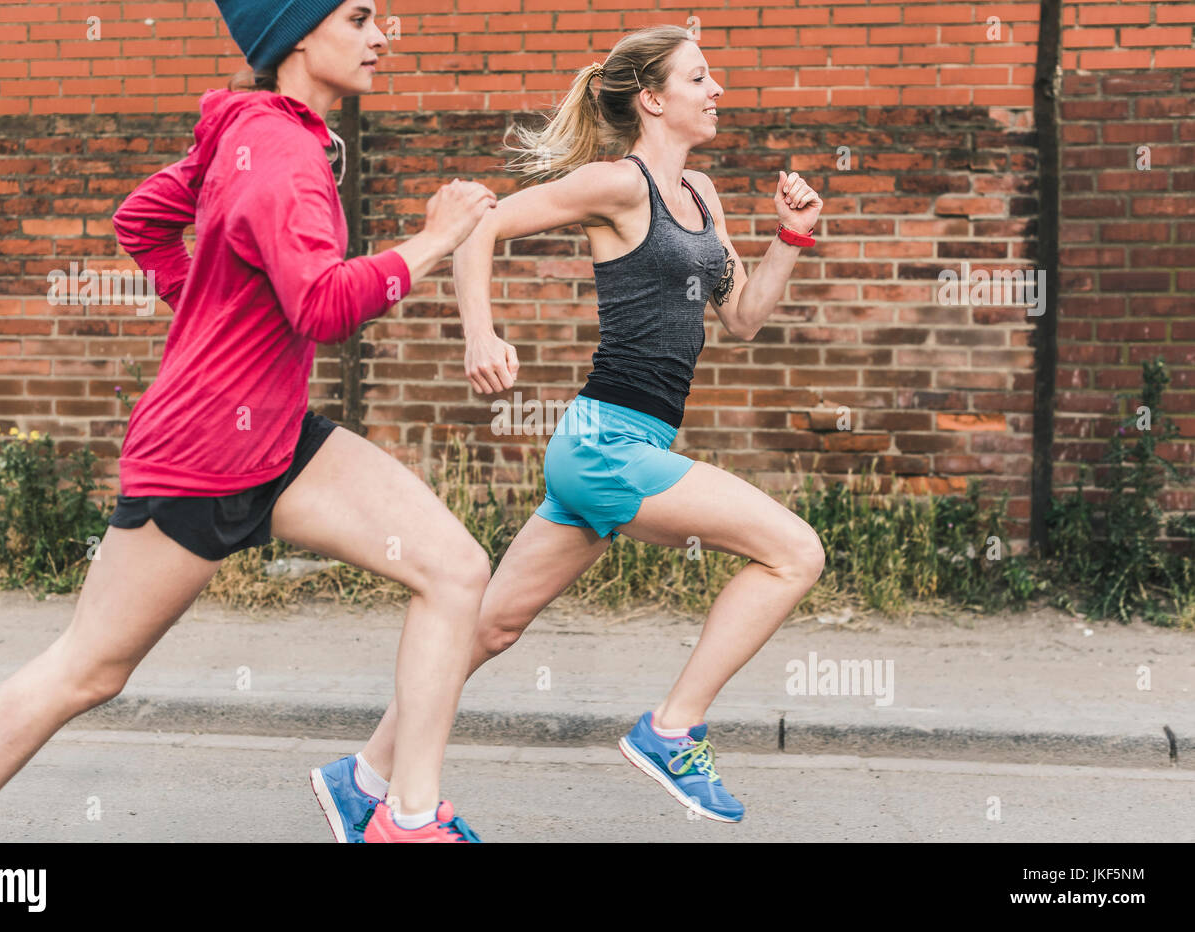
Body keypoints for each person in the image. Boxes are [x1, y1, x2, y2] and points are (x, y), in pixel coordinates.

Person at [0, 0, 494, 845]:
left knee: (455, 570)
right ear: (294, 36)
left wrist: (211, 318)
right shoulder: (281, 153)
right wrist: (434, 240)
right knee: (89, 668)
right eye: (358, 17)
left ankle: (403, 814)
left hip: (277, 435)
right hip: (202, 452)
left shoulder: (256, 130)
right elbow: (324, 306)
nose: (381, 36)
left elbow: (140, 222)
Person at [312, 24, 827, 828]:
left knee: (491, 626)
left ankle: (366, 775)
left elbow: (744, 318)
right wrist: (480, 334)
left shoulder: (702, 196)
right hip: (605, 447)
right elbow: (478, 223)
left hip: (628, 445)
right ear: (654, 99)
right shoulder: (619, 185)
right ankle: (671, 729)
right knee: (795, 551)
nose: (717, 90)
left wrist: (791, 234)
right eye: (700, 78)